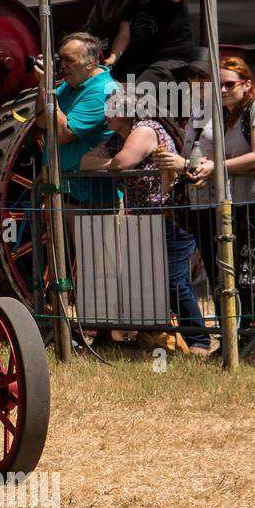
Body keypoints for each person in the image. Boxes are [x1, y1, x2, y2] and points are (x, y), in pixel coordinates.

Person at [159, 56, 255, 358]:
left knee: (249, 279)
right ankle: (251, 341)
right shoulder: (225, 113)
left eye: (228, 84)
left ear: (247, 84)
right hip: (235, 204)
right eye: (217, 84)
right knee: (236, 278)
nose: (221, 90)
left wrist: (213, 167)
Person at [80, 91, 210, 353]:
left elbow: (124, 161)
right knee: (149, 280)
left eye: (110, 110)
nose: (105, 116)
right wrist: (115, 165)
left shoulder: (146, 129)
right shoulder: (119, 138)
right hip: (143, 220)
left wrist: (116, 164)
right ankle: (157, 339)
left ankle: (199, 340)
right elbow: (86, 162)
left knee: (174, 281)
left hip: (170, 217)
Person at [32, 31, 116, 208]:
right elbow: (41, 121)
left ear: (91, 62)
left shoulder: (103, 89)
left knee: (92, 238)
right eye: (61, 59)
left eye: (69, 60)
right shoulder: (70, 85)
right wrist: (43, 86)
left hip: (92, 198)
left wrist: (48, 88)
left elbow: (62, 134)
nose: (63, 66)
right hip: (67, 192)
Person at [106, 0, 196, 104]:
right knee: (113, 89)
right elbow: (124, 35)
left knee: (134, 95)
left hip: (172, 61)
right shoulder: (134, 1)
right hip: (143, 63)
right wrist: (113, 57)